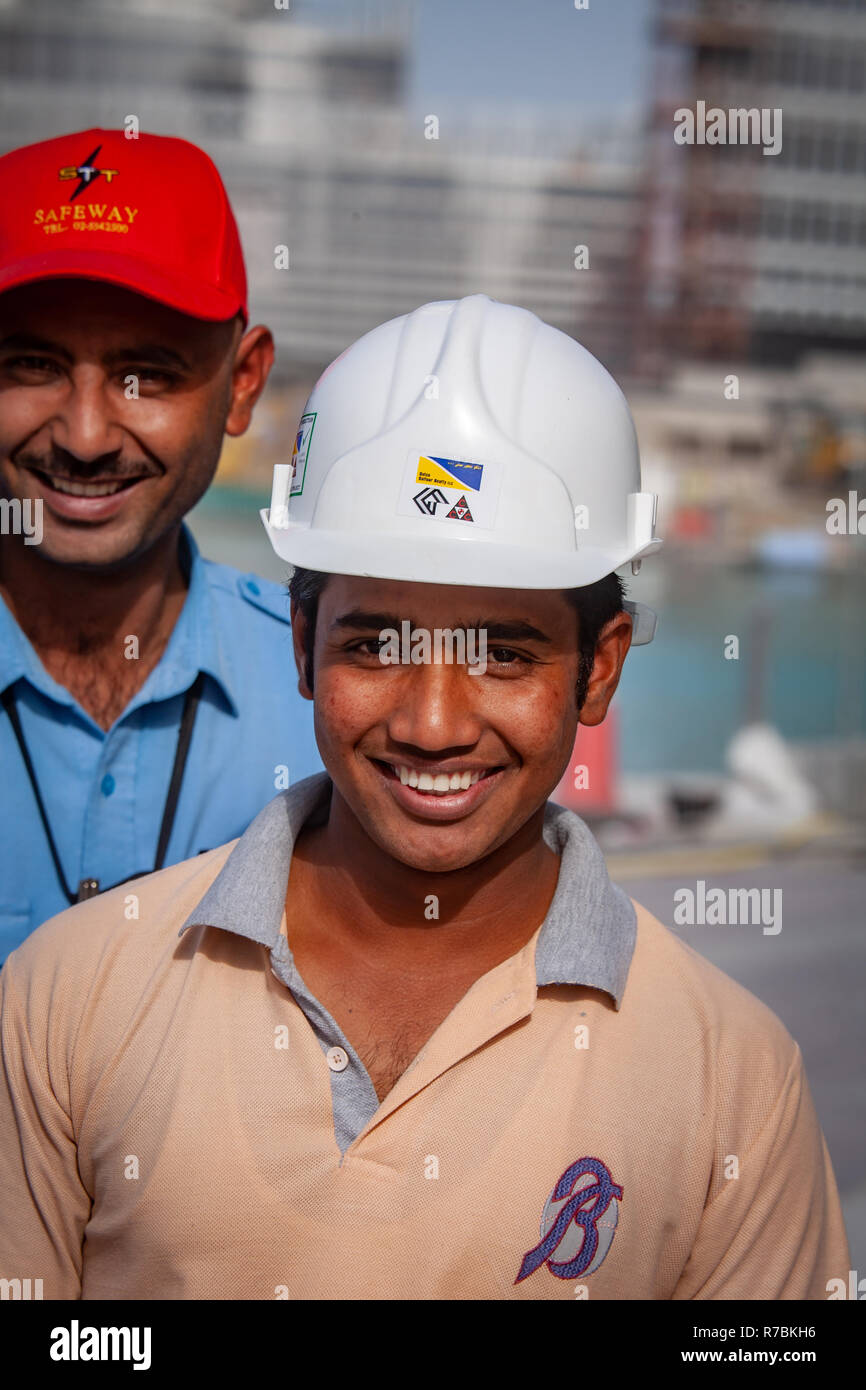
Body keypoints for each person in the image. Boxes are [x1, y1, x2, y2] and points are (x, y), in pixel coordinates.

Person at [0, 295, 849, 1299]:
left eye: (500, 652)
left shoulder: (734, 1087)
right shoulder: (67, 997)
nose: (432, 723)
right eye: (375, 644)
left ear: (599, 669)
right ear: (301, 646)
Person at [0, 127, 322, 958]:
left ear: (242, 383)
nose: (84, 435)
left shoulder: (333, 702)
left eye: (144, 376)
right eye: (32, 364)